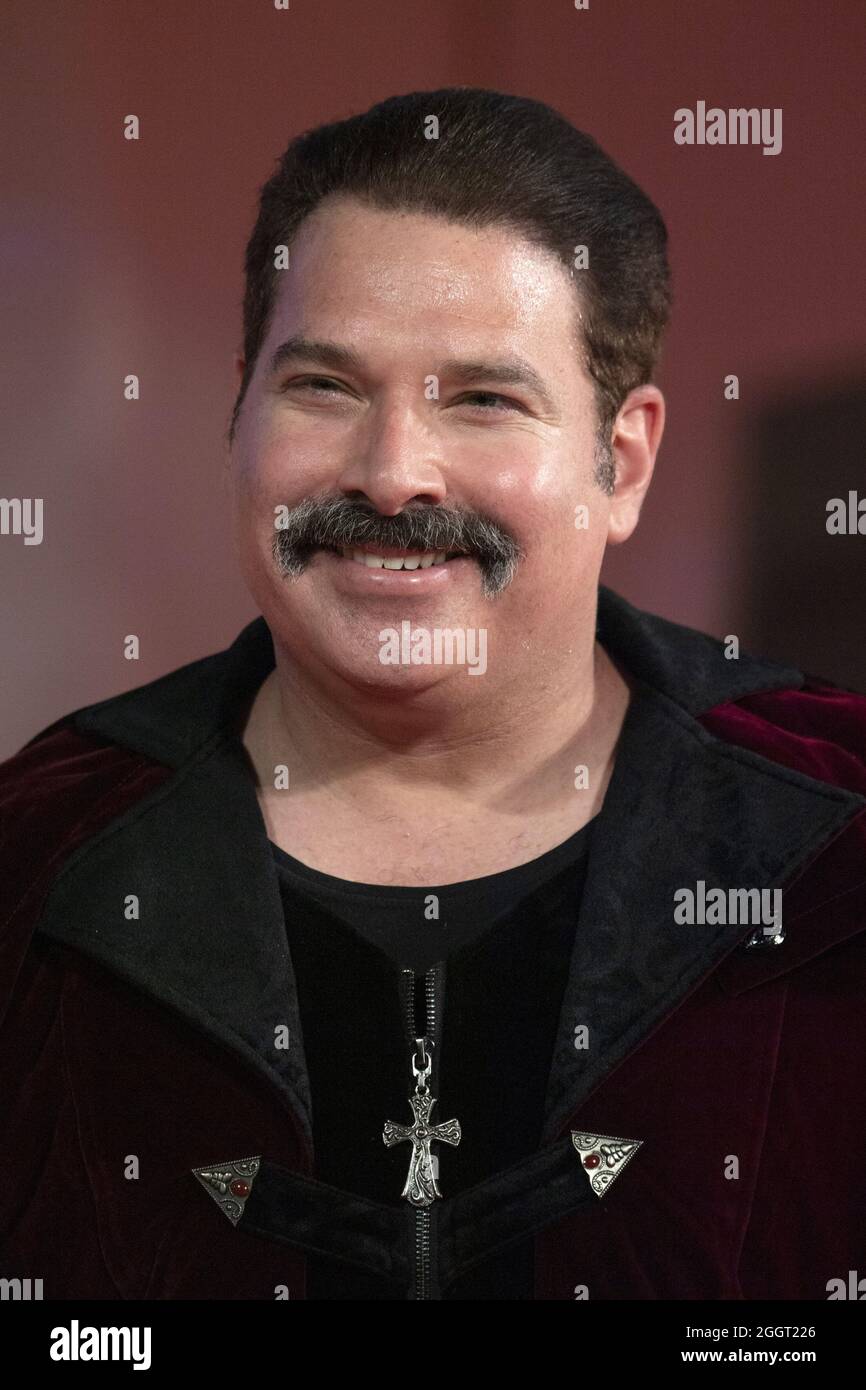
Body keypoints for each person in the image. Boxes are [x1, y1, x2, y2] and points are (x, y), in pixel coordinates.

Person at [1, 88, 864, 1302]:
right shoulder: (36, 853)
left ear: (618, 464)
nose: (394, 471)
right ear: (237, 412)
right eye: (324, 388)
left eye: (482, 399)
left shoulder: (839, 848)